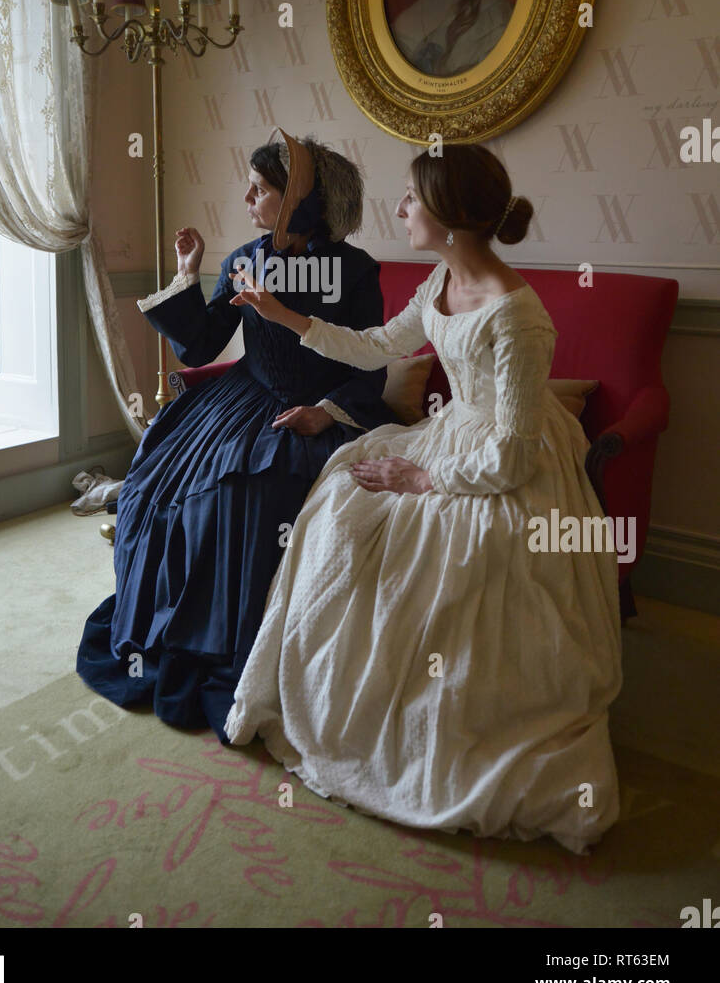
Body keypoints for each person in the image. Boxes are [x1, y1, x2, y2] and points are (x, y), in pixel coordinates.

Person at [225, 143, 624, 855]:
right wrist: (279, 314)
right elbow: (376, 344)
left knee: (451, 572)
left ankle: (431, 731)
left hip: (505, 461)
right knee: (340, 513)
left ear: (444, 213)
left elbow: (512, 452)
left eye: (410, 197)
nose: (400, 209)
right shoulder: (439, 280)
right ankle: (339, 705)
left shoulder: (518, 318)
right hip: (449, 436)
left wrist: (423, 480)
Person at [75, 128, 400, 743]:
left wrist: (327, 411)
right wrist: (188, 273)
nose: (247, 201)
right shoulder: (245, 259)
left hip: (322, 410)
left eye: (260, 190)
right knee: (153, 475)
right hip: (244, 396)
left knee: (251, 495)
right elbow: (202, 344)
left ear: (299, 199)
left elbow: (372, 362)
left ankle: (236, 648)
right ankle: (167, 630)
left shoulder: (354, 272)